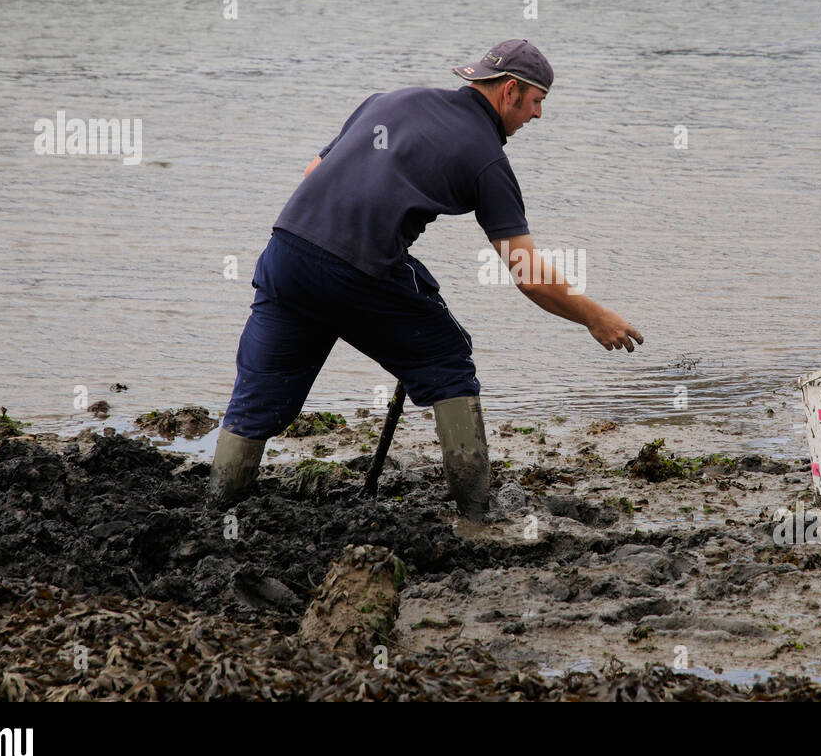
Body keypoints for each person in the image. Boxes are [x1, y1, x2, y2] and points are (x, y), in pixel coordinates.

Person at [209, 39, 643, 519]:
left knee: (256, 399)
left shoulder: (388, 101)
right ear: (510, 91)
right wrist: (594, 317)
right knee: (447, 359)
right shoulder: (487, 159)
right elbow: (529, 275)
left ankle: (218, 509)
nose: (538, 115)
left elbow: (315, 172)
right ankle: (476, 516)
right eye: (537, 102)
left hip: (286, 255)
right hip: (358, 272)